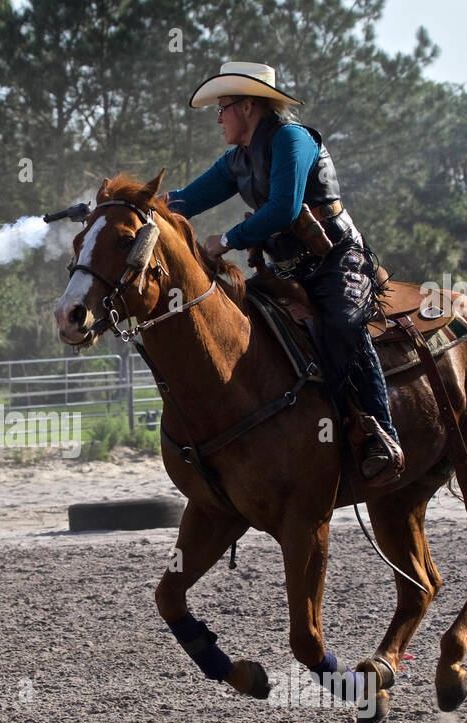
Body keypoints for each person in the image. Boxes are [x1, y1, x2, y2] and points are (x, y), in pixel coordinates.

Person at [162, 61, 404, 485]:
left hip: (337, 261)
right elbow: (187, 199)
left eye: (223, 108)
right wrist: (136, 204)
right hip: (286, 268)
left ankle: (382, 434)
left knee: (343, 325)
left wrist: (228, 239)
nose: (218, 118)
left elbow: (284, 209)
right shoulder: (235, 160)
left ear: (248, 105)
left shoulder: (292, 138)